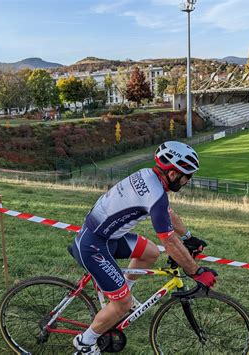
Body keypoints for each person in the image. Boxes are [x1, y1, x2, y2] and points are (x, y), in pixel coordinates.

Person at [70, 141, 217, 354]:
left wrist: (188, 236)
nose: (188, 181)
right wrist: (196, 271)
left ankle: (122, 295)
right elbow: (169, 242)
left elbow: (166, 212)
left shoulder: (149, 176)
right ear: (174, 174)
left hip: (107, 237)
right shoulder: (156, 193)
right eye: (188, 175)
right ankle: (85, 342)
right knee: (121, 304)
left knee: (151, 252)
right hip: (93, 245)